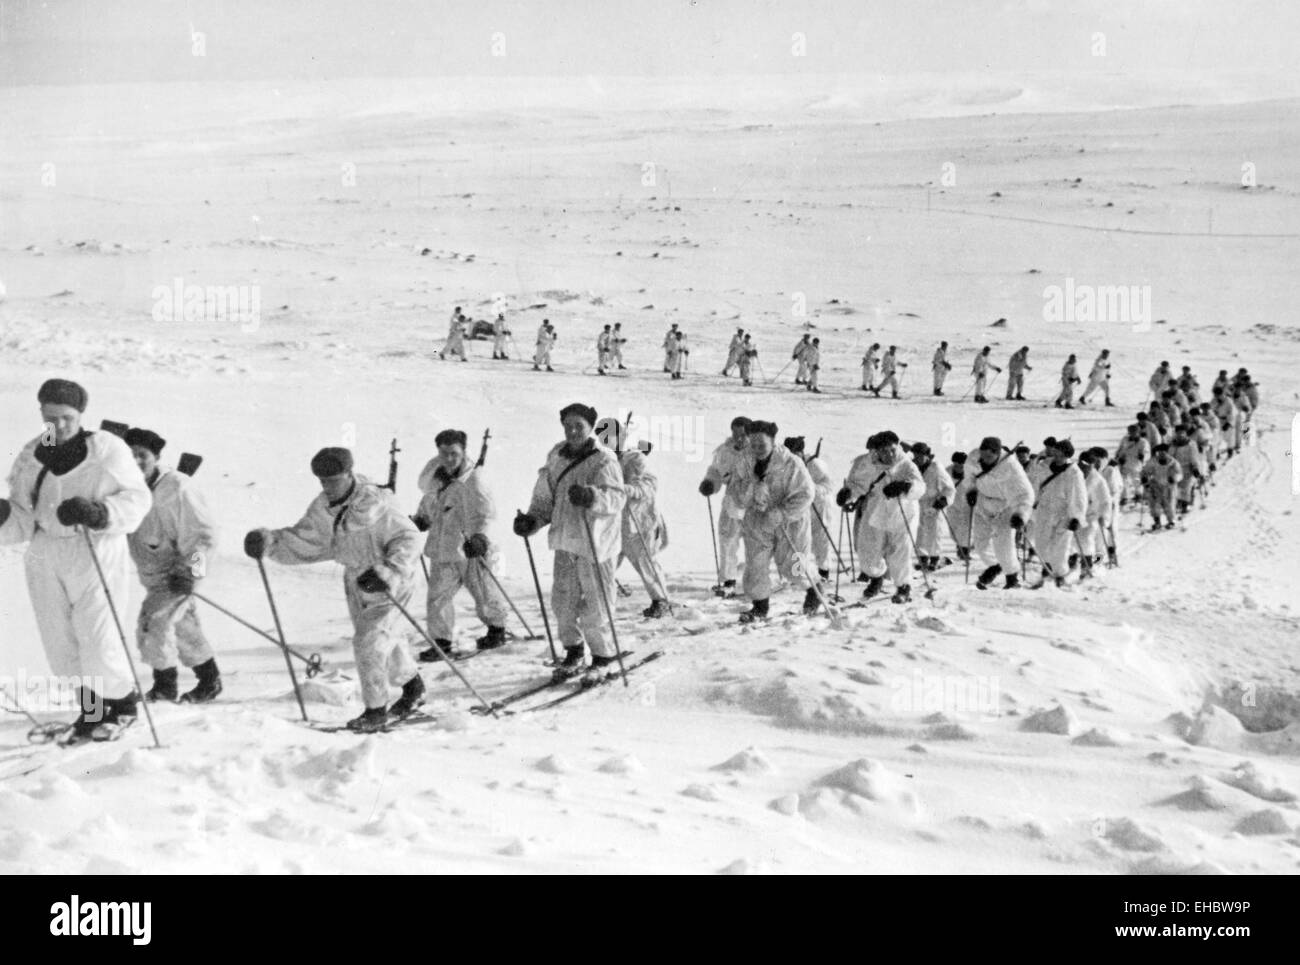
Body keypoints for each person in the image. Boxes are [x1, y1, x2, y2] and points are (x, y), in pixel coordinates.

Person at [0, 379, 152, 743]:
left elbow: (138, 498)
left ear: (80, 415)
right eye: (51, 417)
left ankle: (125, 707)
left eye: (67, 417)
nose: (59, 425)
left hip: (93, 547)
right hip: (44, 550)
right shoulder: (34, 453)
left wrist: (99, 512)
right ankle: (93, 712)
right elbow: (22, 518)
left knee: (97, 637)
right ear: (41, 413)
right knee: (60, 642)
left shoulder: (105, 447)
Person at [245, 447, 424, 733]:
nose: (327, 486)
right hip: (357, 582)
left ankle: (375, 711)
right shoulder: (323, 508)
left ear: (350, 474)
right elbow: (305, 540)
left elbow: (409, 537)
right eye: (323, 481)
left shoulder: (376, 503)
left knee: (369, 641)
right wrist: (270, 542)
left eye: (334, 480)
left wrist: (388, 571)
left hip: (390, 581)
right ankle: (414, 688)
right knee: (382, 640)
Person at [513, 404, 626, 677]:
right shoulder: (556, 456)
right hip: (565, 541)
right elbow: (544, 498)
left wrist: (592, 497)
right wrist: (532, 521)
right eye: (568, 425)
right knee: (563, 602)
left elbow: (617, 498)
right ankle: (573, 650)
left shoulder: (604, 460)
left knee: (597, 603)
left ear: (590, 429)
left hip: (596, 543)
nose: (573, 431)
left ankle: (602, 656)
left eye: (579, 426)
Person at [125, 427, 221, 704]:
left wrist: (192, 574)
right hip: (152, 575)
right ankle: (209, 681)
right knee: (182, 627)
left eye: (142, 455)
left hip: (178, 574)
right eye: (129, 455)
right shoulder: (126, 487)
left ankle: (164, 689)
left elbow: (205, 535)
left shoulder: (177, 487)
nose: (135, 462)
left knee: (154, 622)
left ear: (155, 457)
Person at [412, 429, 509, 658]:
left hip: (469, 548)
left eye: (454, 453)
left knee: (483, 592)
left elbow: (486, 514)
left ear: (464, 452)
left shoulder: (474, 479)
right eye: (444, 453)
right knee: (437, 598)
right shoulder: (437, 480)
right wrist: (421, 520)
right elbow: (429, 505)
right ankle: (441, 642)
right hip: (442, 548)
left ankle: (497, 629)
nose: (448, 458)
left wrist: (481, 538)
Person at [731, 421, 816, 621]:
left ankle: (814, 590)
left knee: (794, 566)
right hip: (758, 521)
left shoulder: (791, 462)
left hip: (790, 521)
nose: (757, 450)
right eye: (753, 445)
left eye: (762, 445)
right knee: (755, 564)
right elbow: (736, 492)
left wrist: (781, 513)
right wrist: (752, 490)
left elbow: (806, 493)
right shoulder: (744, 461)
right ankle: (760, 606)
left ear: (772, 442)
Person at [595, 417, 671, 619]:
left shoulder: (636, 459)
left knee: (645, 562)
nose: (608, 441)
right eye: (604, 438)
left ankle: (661, 600)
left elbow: (647, 487)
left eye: (611, 436)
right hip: (616, 522)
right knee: (605, 561)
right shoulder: (605, 460)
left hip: (640, 521)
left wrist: (624, 490)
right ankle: (600, 599)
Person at [839, 431, 923, 603]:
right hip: (875, 510)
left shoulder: (906, 465)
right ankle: (876, 576)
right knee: (867, 551)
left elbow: (920, 487)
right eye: (884, 451)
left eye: (892, 449)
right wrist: (848, 494)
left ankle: (903, 587)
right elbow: (856, 484)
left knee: (900, 552)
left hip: (902, 512)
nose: (890, 454)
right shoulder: (865, 463)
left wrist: (905, 487)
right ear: (876, 451)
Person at [961, 436, 1033, 591]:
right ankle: (996, 565)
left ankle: (1012, 578)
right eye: (983, 455)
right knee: (981, 545)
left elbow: (1026, 494)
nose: (985, 459)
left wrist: (1020, 515)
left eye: (989, 456)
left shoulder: (1011, 467)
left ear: (997, 453)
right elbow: (969, 477)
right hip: (983, 503)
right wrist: (971, 491)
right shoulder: (973, 458)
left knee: (1003, 544)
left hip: (1004, 506)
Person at [699, 417, 752, 596]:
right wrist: (710, 484)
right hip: (732, 503)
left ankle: (760, 579)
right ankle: (728, 581)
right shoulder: (724, 452)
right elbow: (715, 471)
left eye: (743, 435)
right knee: (727, 541)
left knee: (758, 544)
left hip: (755, 505)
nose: (739, 439)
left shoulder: (759, 451)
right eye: (736, 434)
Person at [1026, 439, 1087, 586]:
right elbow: (1034, 486)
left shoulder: (1073, 473)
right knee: (1041, 544)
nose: (1058, 456)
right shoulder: (1043, 467)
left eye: (1061, 454)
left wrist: (1076, 517)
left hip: (1063, 513)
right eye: (1057, 452)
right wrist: (1028, 506)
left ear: (1067, 455)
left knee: (1060, 547)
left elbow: (1078, 496)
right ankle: (1046, 568)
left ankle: (1060, 574)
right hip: (1044, 511)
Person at [785, 436, 834, 582]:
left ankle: (823, 571)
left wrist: (811, 490)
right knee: (798, 538)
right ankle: (798, 572)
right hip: (802, 507)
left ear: (801, 451)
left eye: (795, 453)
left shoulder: (815, 464)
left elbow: (828, 485)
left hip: (820, 506)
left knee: (821, 538)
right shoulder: (789, 465)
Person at [910, 442, 954, 572]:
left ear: (927, 456)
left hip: (934, 504)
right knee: (919, 532)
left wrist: (944, 500)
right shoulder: (913, 468)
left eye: (920, 456)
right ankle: (922, 559)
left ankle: (935, 558)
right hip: (918, 503)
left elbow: (949, 488)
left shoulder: (936, 468)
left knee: (934, 532)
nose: (917, 458)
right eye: (915, 455)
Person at [1077, 450, 1113, 570]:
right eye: (1082, 464)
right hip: (1078, 514)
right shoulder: (1074, 475)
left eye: (1088, 465)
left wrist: (1104, 516)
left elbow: (1106, 501)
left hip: (1095, 515)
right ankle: (1077, 559)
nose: (1084, 467)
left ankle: (1095, 562)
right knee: (1076, 540)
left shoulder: (1097, 480)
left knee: (1096, 541)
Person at [1140, 444, 1181, 530]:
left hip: (1169, 487)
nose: (1162, 454)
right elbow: (1145, 471)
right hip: (1156, 485)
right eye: (1160, 452)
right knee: (1154, 504)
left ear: (1167, 452)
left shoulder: (1173, 463)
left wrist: (1174, 478)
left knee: (1169, 504)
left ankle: (1171, 521)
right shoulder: (1153, 461)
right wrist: (1144, 477)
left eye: (1164, 452)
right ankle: (1157, 521)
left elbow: (1179, 474)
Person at [1169, 425, 1206, 515]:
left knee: (1186, 487)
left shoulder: (1191, 444)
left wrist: (1195, 468)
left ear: (1185, 434)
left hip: (1188, 468)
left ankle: (1185, 504)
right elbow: (1170, 458)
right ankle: (1179, 501)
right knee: (1177, 487)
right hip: (1177, 469)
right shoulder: (1173, 445)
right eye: (1178, 433)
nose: (1180, 435)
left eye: (1182, 433)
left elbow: (1194, 457)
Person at [1115, 424, 1150, 507]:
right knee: (1124, 481)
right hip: (1125, 463)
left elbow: (1147, 452)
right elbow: (1120, 449)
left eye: (1134, 432)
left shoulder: (1143, 442)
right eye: (1131, 432)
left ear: (1138, 432)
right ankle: (1125, 497)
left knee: (1136, 481)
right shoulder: (1125, 439)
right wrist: (1118, 457)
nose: (1132, 434)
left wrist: (1143, 456)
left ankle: (1138, 495)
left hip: (1136, 464)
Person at [946, 451, 972, 561]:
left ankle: (964, 551)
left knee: (966, 529)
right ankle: (959, 545)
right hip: (952, 505)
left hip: (967, 506)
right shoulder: (946, 472)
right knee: (954, 529)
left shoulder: (971, 473)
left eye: (962, 463)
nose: (959, 466)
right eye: (957, 463)